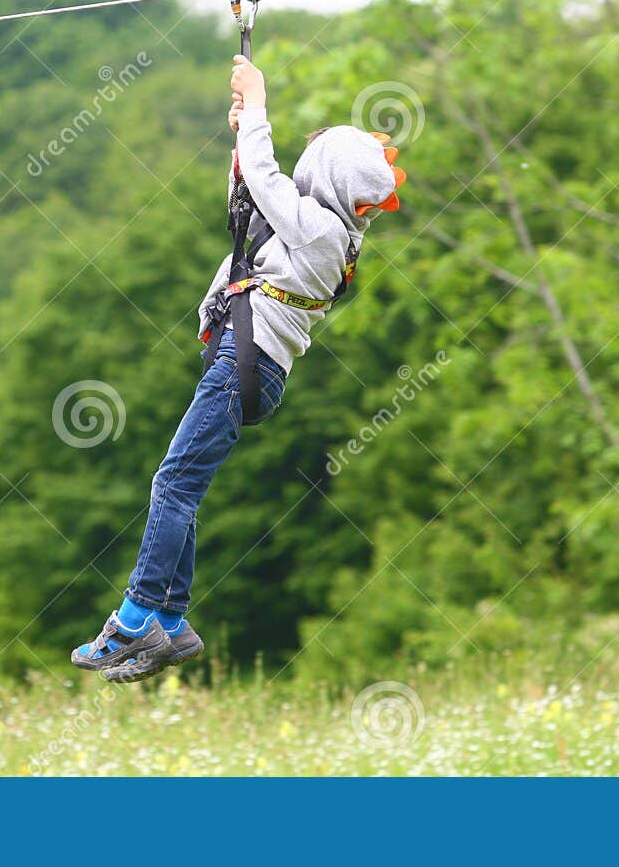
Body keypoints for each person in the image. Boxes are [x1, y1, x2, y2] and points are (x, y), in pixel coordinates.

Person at [72, 54, 406, 683]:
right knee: (183, 488)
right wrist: (239, 141)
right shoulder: (309, 225)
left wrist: (256, 104)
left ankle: (138, 614)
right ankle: (172, 623)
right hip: (243, 362)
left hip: (244, 366)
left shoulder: (323, 232)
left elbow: (266, 174)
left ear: (326, 175)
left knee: (170, 484)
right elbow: (247, 207)